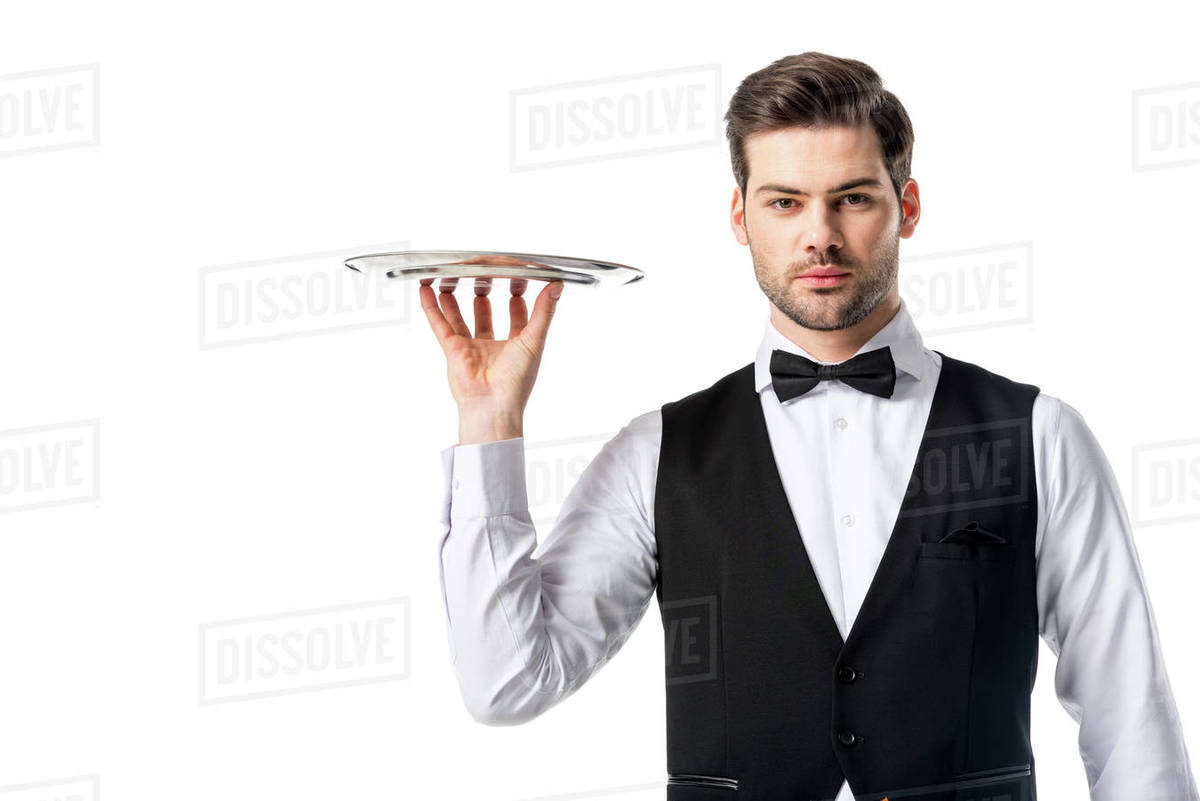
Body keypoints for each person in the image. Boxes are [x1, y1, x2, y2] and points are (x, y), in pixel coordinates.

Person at [421, 52, 1199, 801]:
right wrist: (490, 424)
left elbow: (1129, 715)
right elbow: (506, 683)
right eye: (785, 201)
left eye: (853, 198)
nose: (818, 234)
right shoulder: (657, 455)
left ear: (909, 206)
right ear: (741, 214)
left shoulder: (1040, 435)